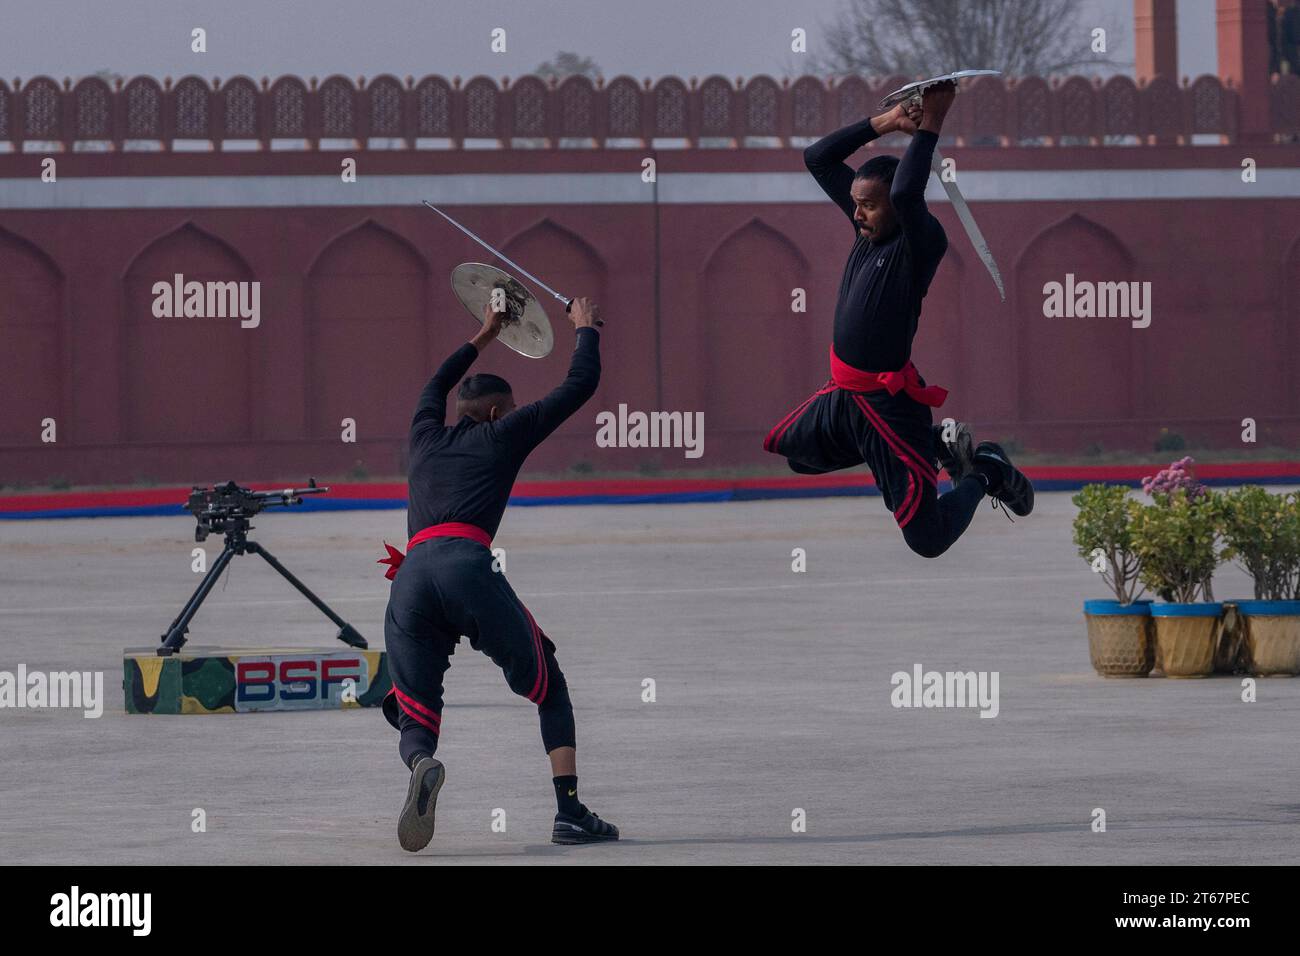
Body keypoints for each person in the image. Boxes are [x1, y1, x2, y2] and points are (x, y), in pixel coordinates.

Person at [379, 296, 619, 849]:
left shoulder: (423, 436)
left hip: (412, 577)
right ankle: (569, 812)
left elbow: (435, 386)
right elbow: (577, 387)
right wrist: (584, 330)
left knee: (415, 706)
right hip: (467, 569)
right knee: (548, 685)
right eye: (507, 412)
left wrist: (485, 332)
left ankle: (421, 762)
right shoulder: (502, 436)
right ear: (494, 414)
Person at [764, 81, 1033, 558]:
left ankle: (987, 468)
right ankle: (938, 445)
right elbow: (817, 157)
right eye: (856, 204)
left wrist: (933, 122)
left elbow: (908, 192)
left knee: (926, 540)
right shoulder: (864, 231)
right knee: (799, 457)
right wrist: (887, 123)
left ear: (894, 209)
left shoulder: (919, 244)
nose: (859, 214)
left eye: (869, 205)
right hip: (844, 396)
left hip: (889, 406)